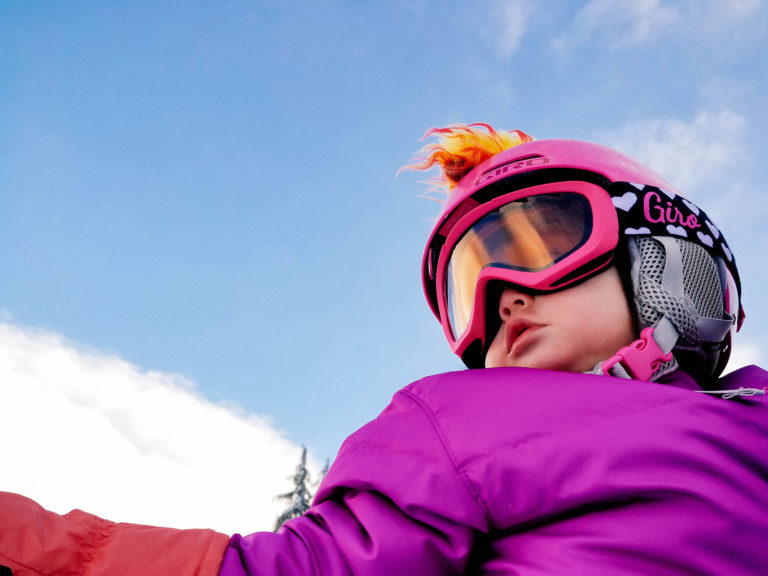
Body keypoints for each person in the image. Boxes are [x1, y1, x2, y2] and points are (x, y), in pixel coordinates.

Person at [2, 124, 767, 575]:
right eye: (472, 287)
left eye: (539, 242)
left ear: (659, 250)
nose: (502, 297)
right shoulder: (470, 423)